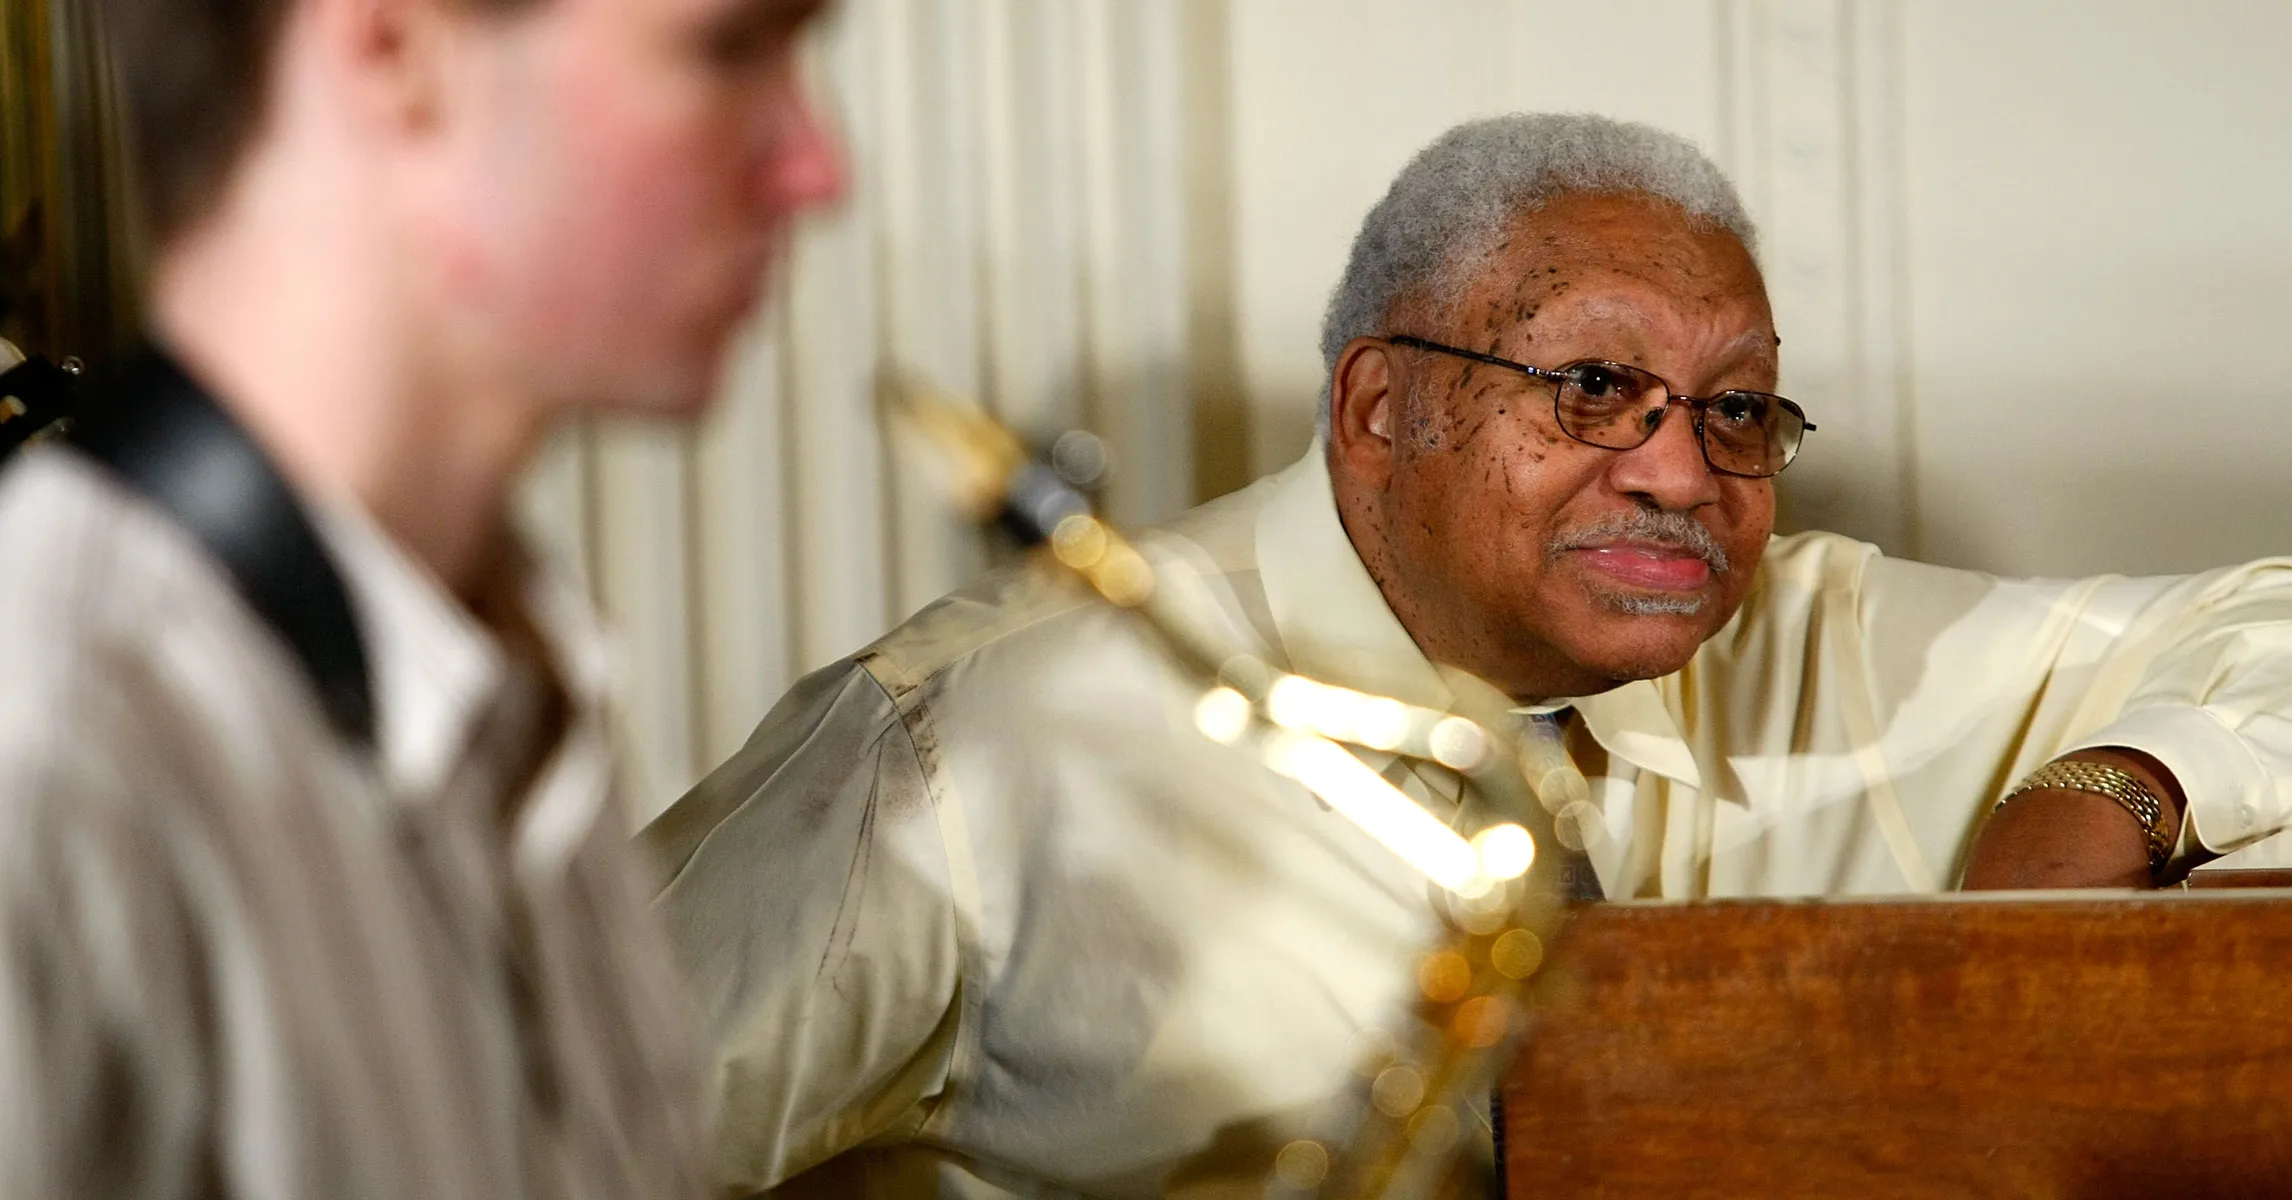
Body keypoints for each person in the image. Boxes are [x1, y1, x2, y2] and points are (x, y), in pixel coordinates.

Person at [647, 112, 2292, 1195]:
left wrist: (2123, 782)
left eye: (1736, 411)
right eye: (1590, 390)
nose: (1678, 469)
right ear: (1381, 408)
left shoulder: (1820, 628)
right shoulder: (982, 731)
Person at [0, 0, 842, 1195]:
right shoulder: (50, 751)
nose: (820, 169)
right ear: (392, 47)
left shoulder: (512, 674)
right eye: (731, 49)